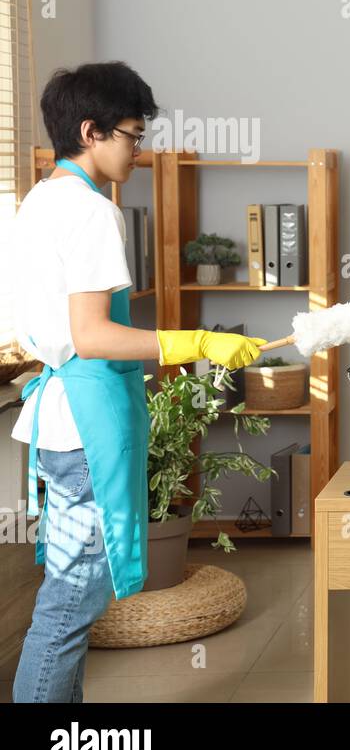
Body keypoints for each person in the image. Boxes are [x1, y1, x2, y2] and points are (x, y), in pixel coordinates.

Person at [11, 62, 266, 702]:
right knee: (70, 606)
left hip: (59, 423)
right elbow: (93, 335)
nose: (138, 149)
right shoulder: (93, 212)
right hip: (86, 425)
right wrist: (195, 343)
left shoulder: (38, 201)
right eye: (132, 135)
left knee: (70, 602)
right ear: (90, 132)